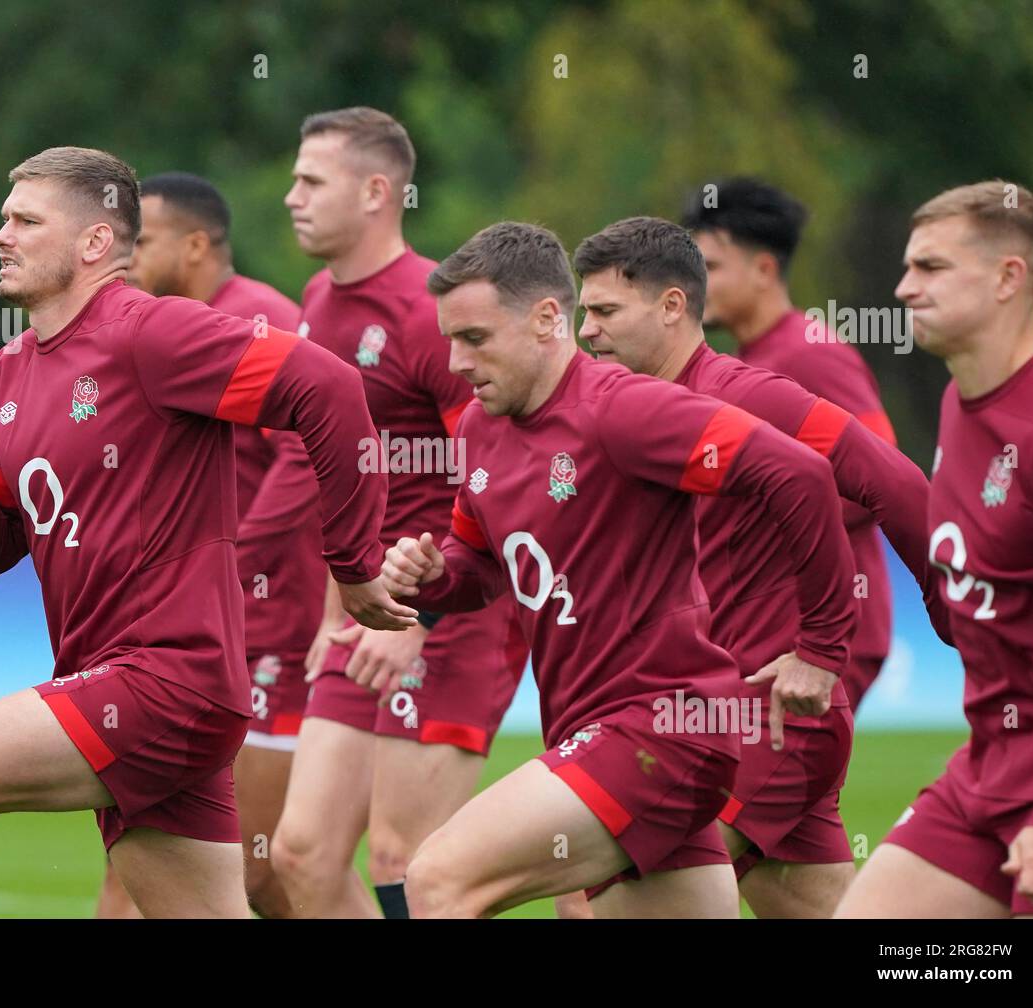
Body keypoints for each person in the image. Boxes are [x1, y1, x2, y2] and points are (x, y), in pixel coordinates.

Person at [0, 146, 413, 919]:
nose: (2, 234)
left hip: (166, 681)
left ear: (96, 243)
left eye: (26, 220)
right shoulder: (7, 373)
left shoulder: (151, 332)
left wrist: (355, 564)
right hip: (127, 684)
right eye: (4, 218)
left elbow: (329, 387)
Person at [378, 221, 858, 918]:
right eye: (449, 337)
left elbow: (802, 474)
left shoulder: (624, 410)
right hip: (602, 732)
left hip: (661, 730)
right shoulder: (481, 430)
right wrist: (432, 576)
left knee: (439, 878)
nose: (454, 361)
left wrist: (821, 648)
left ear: (548, 319)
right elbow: (480, 569)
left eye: (475, 338)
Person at [572, 215, 948, 917]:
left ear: (672, 307)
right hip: (708, 713)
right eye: (582, 311)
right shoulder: (625, 415)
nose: (586, 331)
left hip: (770, 712)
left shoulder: (749, 393)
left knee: (598, 895)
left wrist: (949, 616)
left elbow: (892, 481)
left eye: (603, 311)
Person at [271, 107, 526, 919]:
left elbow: (493, 467)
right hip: (365, 614)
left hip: (451, 611)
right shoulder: (317, 299)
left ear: (377, 191)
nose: (291, 197)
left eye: (312, 180)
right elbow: (335, 478)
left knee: (404, 860)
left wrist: (422, 614)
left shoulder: (428, 310)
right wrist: (331, 606)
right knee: (301, 857)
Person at [837, 180, 1033, 918]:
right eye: (906, 268)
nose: (904, 289)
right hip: (987, 774)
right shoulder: (957, 405)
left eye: (932, 268)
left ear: (1008, 279)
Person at [95, 171, 314, 919]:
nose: (125, 255)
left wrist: (233, 566)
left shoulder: (257, 318)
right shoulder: (157, 328)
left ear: (194, 245)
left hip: (265, 628)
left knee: (260, 870)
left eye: (143, 239)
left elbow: (305, 450)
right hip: (183, 638)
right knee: (141, 854)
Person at [682, 179, 898, 710]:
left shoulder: (811, 349)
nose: (693, 284)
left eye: (710, 267)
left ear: (764, 270)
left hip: (819, 632)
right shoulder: (744, 362)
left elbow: (881, 476)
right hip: (765, 626)